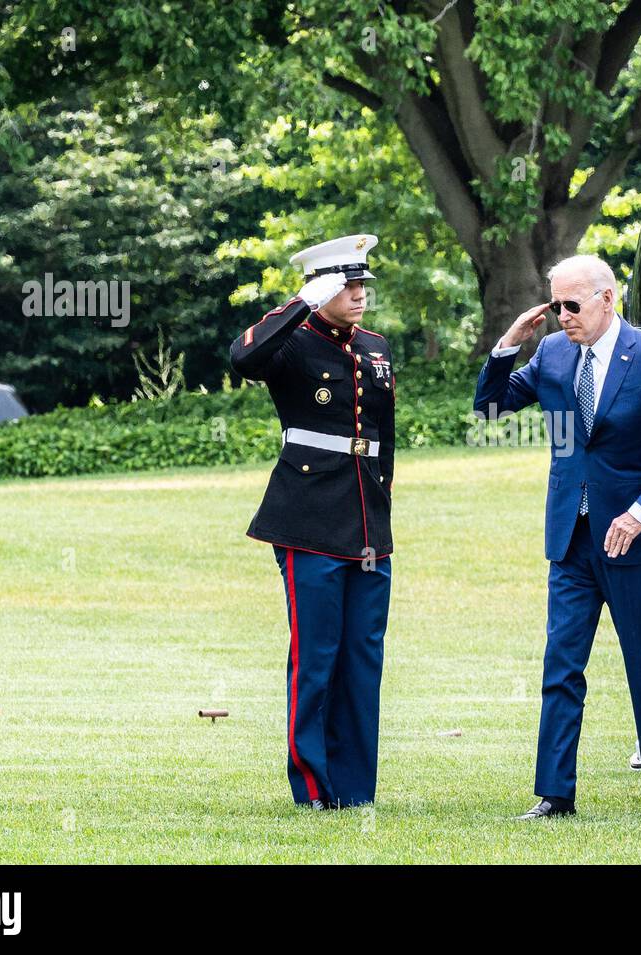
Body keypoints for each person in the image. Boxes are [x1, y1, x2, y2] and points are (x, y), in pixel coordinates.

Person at [474, 254, 641, 819]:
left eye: (572, 305)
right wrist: (507, 346)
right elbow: (488, 411)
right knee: (560, 666)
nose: (563, 317)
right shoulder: (553, 353)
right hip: (572, 540)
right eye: (556, 306)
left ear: (608, 299)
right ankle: (555, 795)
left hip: (636, 542)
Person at [228, 234, 395, 810]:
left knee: (362, 659)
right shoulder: (293, 341)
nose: (358, 294)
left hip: (368, 523)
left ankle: (356, 790)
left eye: (362, 284)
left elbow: (383, 436)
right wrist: (300, 302)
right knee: (316, 656)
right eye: (346, 285)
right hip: (308, 517)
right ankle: (315, 786)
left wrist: (384, 508)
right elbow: (242, 358)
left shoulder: (375, 346)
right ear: (321, 288)